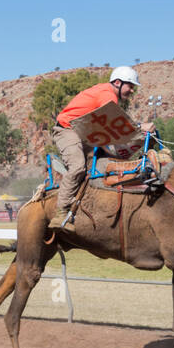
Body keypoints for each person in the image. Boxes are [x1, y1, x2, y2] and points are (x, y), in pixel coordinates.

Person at [50, 66, 155, 232]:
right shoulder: (107, 94)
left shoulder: (106, 93)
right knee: (78, 167)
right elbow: (118, 123)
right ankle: (60, 213)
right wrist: (142, 127)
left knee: (108, 163)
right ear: (118, 82)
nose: (132, 90)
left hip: (85, 133)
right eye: (130, 85)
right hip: (67, 130)